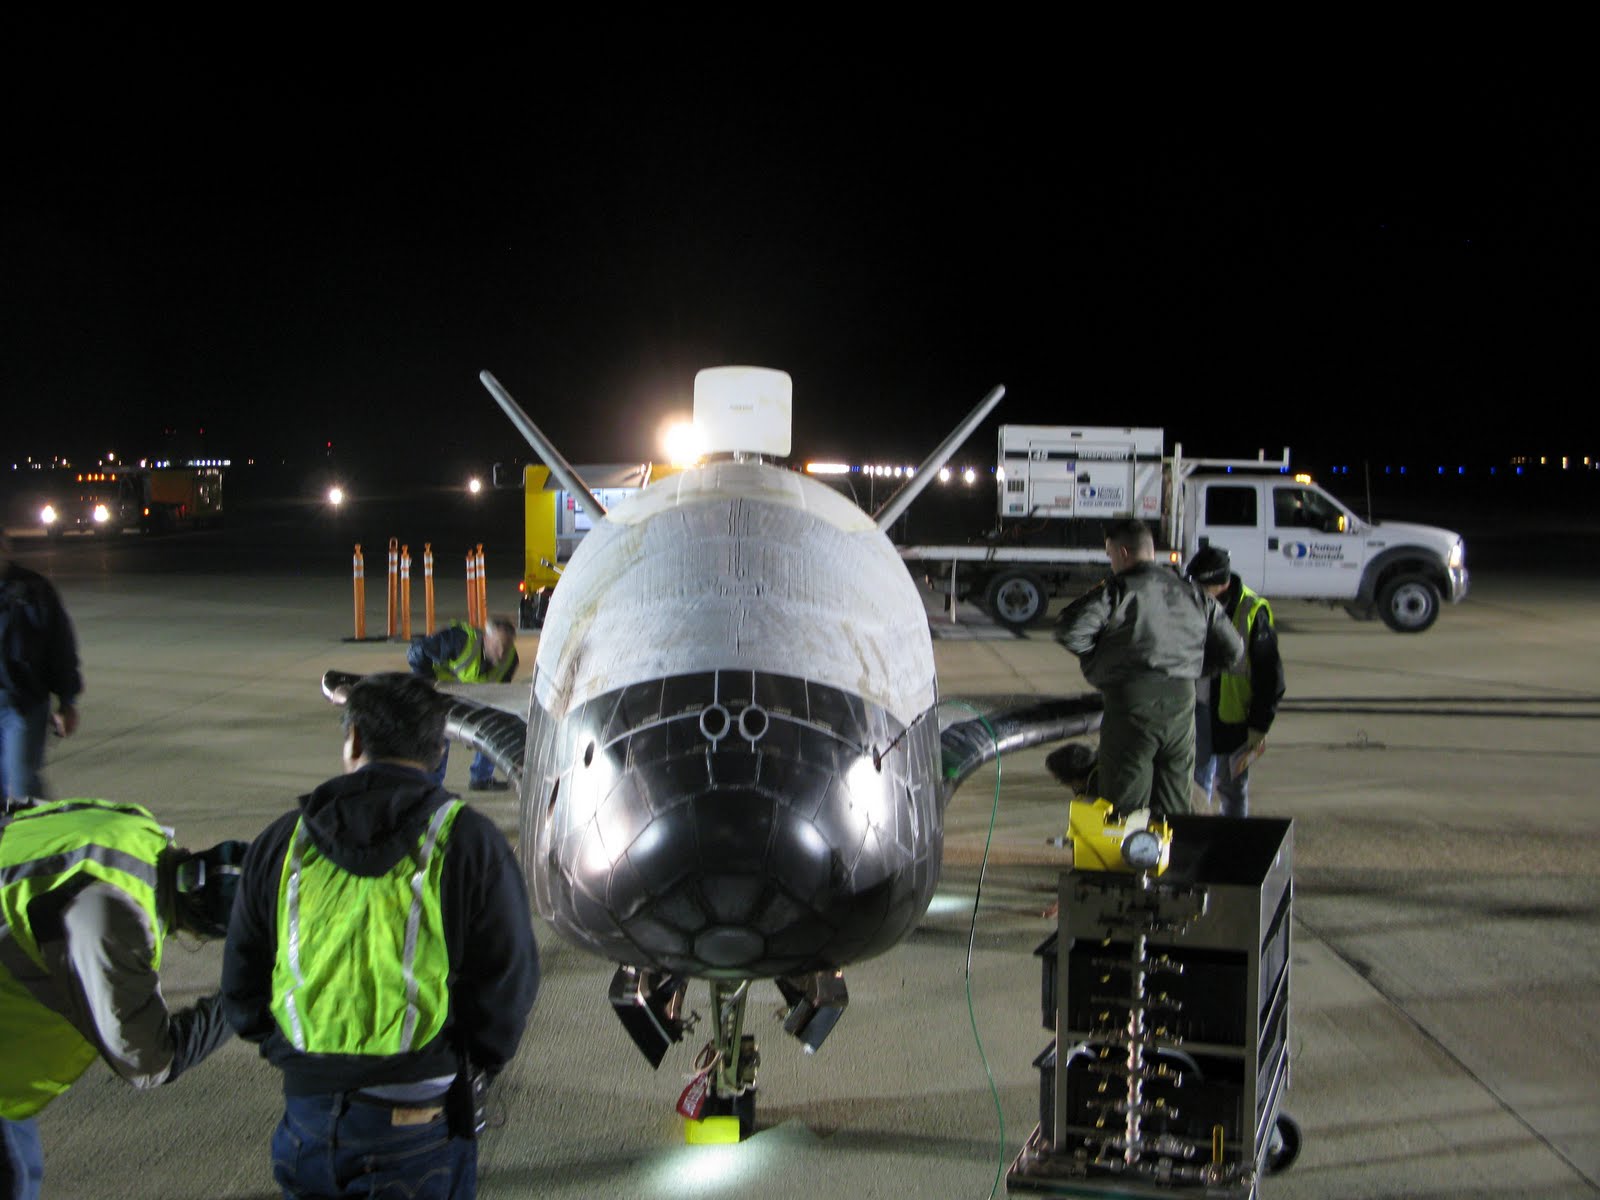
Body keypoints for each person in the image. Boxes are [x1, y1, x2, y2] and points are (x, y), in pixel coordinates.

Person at [221, 671, 539, 1200]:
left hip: (306, 1115)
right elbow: (509, 982)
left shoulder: (284, 841)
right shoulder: (467, 840)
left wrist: (298, 1055)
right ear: (439, 751)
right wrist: (466, 1061)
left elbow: (242, 988)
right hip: (416, 1119)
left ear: (354, 741)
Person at [0, 797, 244, 1200]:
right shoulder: (119, 916)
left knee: (22, 1166)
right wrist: (241, 999)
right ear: (205, 930)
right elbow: (149, 1060)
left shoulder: (138, 829)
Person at [1054, 519, 1245, 817]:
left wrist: (1101, 663)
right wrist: (1191, 668)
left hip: (1132, 704)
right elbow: (1233, 650)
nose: (1111, 562)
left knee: (1125, 801)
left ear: (1124, 553)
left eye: (1110, 555)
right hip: (1182, 706)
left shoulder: (1119, 590)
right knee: (1175, 804)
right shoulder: (1193, 593)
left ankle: (1129, 862)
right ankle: (1173, 858)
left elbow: (1070, 630)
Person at [1185, 546, 1286, 817]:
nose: (1195, 591)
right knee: (1194, 787)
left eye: (1201, 586)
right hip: (1196, 712)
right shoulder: (1192, 604)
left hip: (1235, 718)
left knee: (1232, 790)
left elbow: (1270, 676)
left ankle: (1233, 845)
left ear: (1222, 584)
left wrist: (1260, 724)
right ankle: (1193, 841)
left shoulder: (1252, 611)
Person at [1, 535, 83, 802]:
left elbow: (61, 648)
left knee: (24, 784)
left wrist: (66, 701)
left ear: (5, 548)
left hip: (22, 706)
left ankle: (48, 836)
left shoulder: (33, 590)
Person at [406, 616, 518, 791]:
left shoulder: (511, 660)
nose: (502, 653)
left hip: (472, 696)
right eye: (497, 647)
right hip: (441, 692)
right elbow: (415, 653)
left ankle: (481, 778)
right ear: (486, 639)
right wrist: (428, 686)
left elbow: (498, 694)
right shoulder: (458, 640)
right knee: (441, 731)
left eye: (506, 647)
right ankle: (432, 786)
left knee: (496, 723)